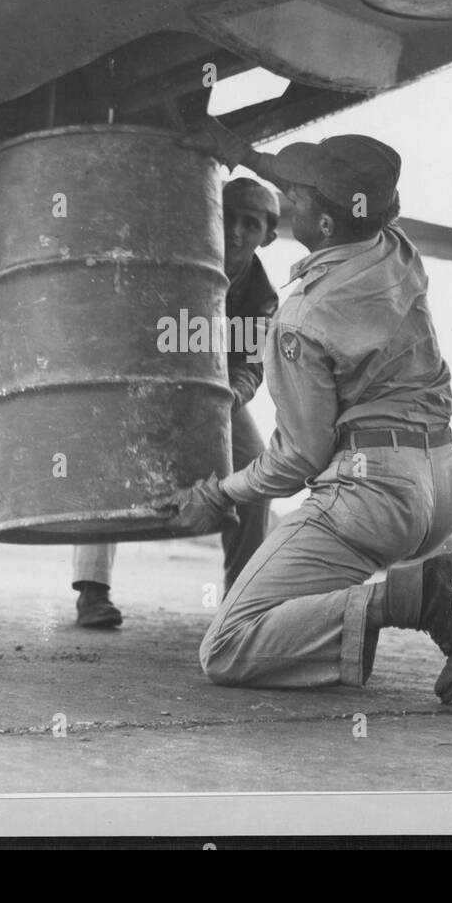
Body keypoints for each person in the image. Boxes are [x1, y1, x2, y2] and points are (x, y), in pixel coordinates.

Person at [158, 124, 452, 701]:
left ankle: (420, 597)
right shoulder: (395, 248)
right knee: (284, 598)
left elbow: (298, 456)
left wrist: (218, 494)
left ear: (325, 225)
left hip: (375, 501)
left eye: (300, 200)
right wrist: (242, 153)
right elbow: (330, 190)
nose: (288, 203)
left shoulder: (300, 320)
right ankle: (373, 610)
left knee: (228, 645)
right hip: (446, 484)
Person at [72, 177, 281, 628]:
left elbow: (251, 365)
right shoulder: (171, 253)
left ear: (269, 235)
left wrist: (224, 400)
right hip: (144, 379)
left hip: (215, 395)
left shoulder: (262, 299)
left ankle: (238, 603)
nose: (238, 232)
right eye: (228, 218)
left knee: (255, 472)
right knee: (107, 464)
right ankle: (92, 591)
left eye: (251, 223)